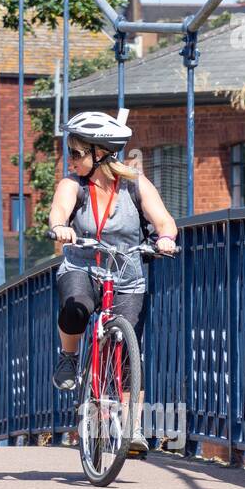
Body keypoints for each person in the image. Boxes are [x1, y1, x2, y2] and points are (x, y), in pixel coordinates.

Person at [46, 112, 177, 455]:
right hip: (83, 266)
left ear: (100, 153)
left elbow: (164, 220)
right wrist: (61, 227)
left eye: (76, 153)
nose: (69, 160)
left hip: (126, 274)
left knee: (130, 349)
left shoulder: (135, 185)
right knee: (76, 307)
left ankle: (132, 430)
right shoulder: (72, 186)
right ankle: (69, 358)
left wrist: (164, 238)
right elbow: (58, 212)